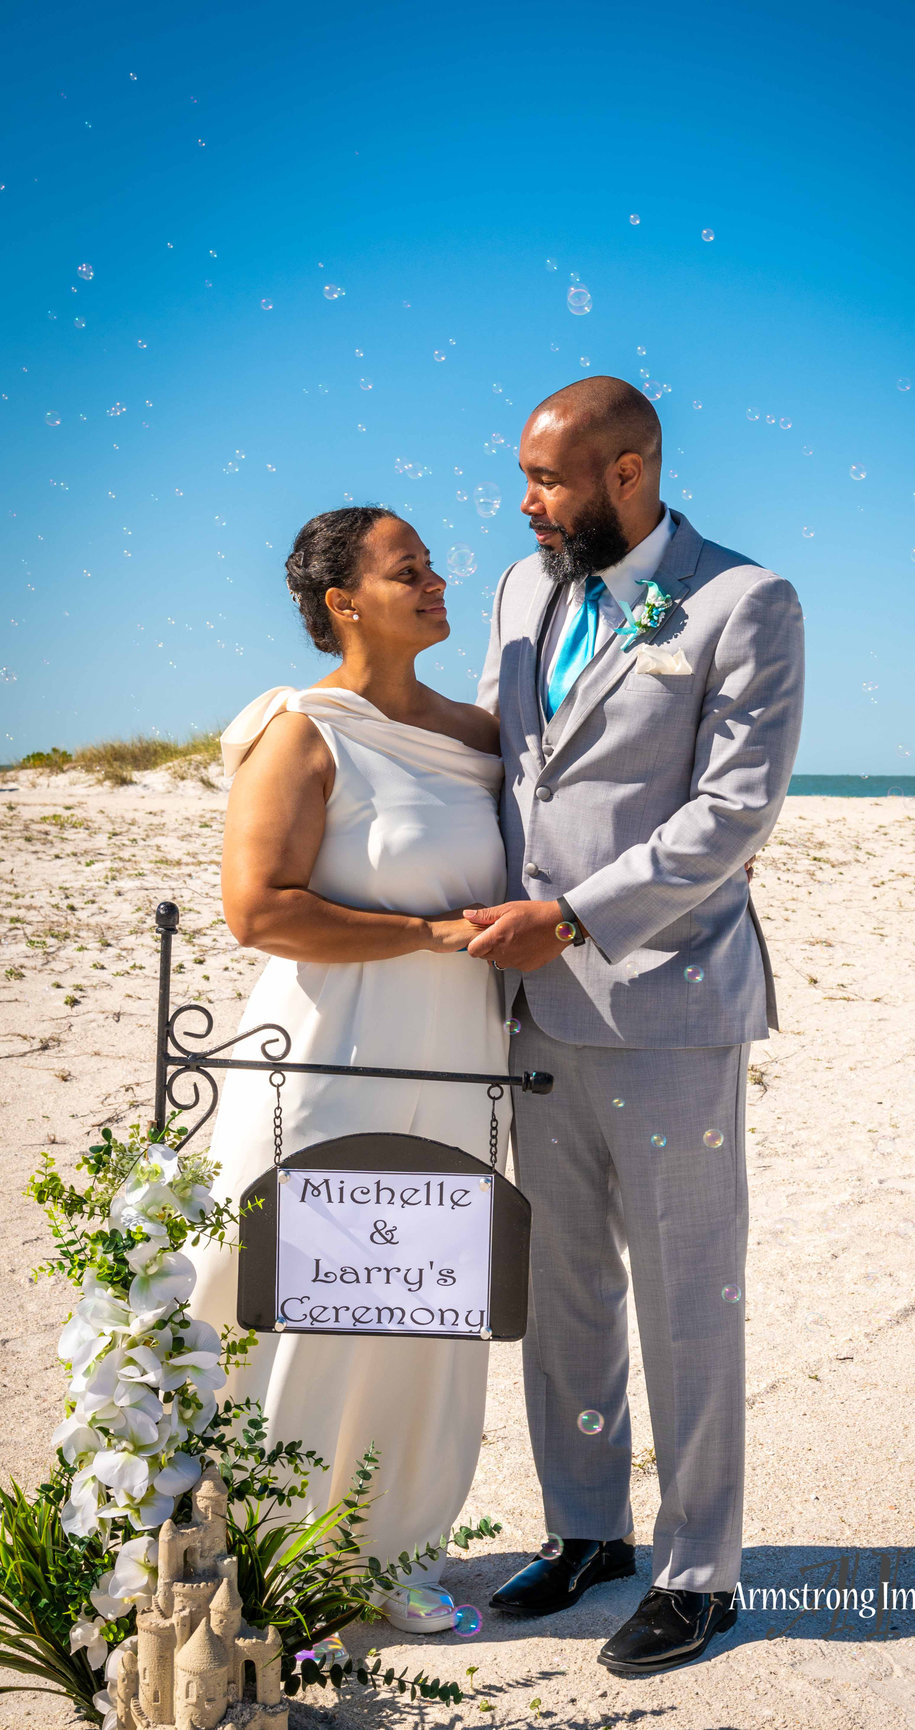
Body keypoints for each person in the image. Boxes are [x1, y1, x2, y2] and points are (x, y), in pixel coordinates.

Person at [470, 376, 804, 1676]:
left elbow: (730, 816)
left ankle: (699, 1571)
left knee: (684, 1297)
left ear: (627, 472)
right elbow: (507, 756)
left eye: (546, 479)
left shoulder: (742, 602)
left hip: (668, 1010)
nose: (524, 501)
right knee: (561, 1296)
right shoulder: (515, 587)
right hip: (533, 1011)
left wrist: (571, 914)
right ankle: (586, 1529)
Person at [187, 506, 510, 1636]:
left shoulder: (480, 734)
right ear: (341, 601)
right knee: (300, 1307)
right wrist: (424, 933)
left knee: (418, 1310)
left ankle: (383, 1553)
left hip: (457, 1059)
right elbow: (256, 908)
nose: (432, 581)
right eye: (405, 569)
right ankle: (254, 1557)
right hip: (327, 1062)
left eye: (430, 566)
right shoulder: (302, 730)